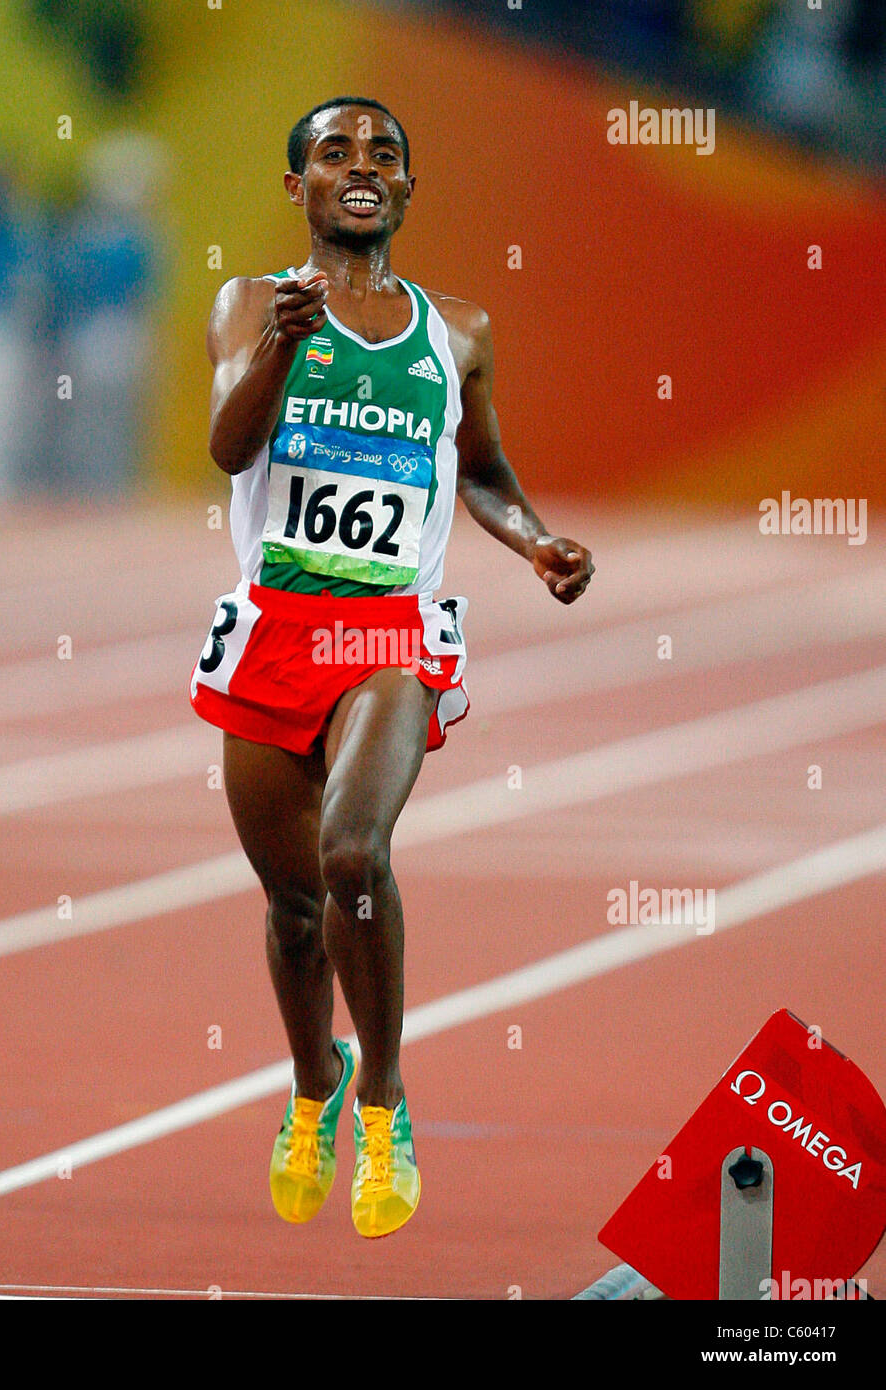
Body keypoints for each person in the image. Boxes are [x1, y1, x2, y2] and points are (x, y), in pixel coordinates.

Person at [190, 97, 593, 1239]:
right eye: (333, 152)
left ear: (408, 190)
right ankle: (312, 1081)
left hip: (386, 632)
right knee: (292, 908)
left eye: (383, 155)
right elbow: (226, 444)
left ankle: (381, 1101)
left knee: (353, 849)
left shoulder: (455, 329)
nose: (360, 167)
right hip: (274, 626)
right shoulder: (249, 304)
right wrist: (281, 336)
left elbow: (485, 469)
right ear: (297, 188)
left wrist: (535, 540)